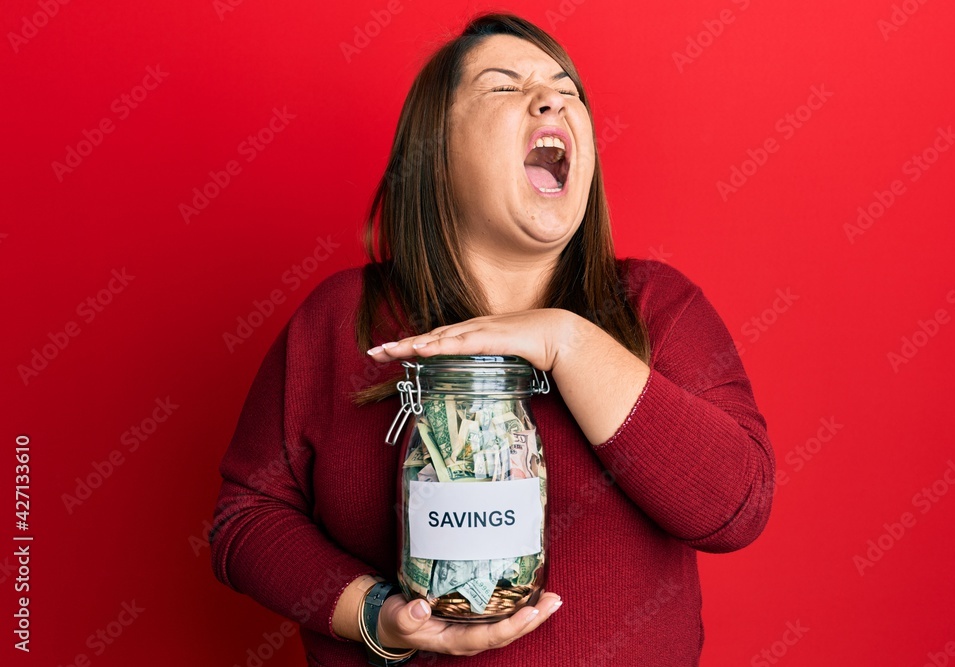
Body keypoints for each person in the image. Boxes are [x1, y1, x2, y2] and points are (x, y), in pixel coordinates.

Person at [210, 12, 775, 667]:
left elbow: (738, 507)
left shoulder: (658, 308)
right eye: (504, 87)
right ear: (436, 154)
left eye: (567, 91)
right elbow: (245, 518)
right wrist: (377, 616)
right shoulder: (342, 320)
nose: (552, 99)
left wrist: (568, 341)